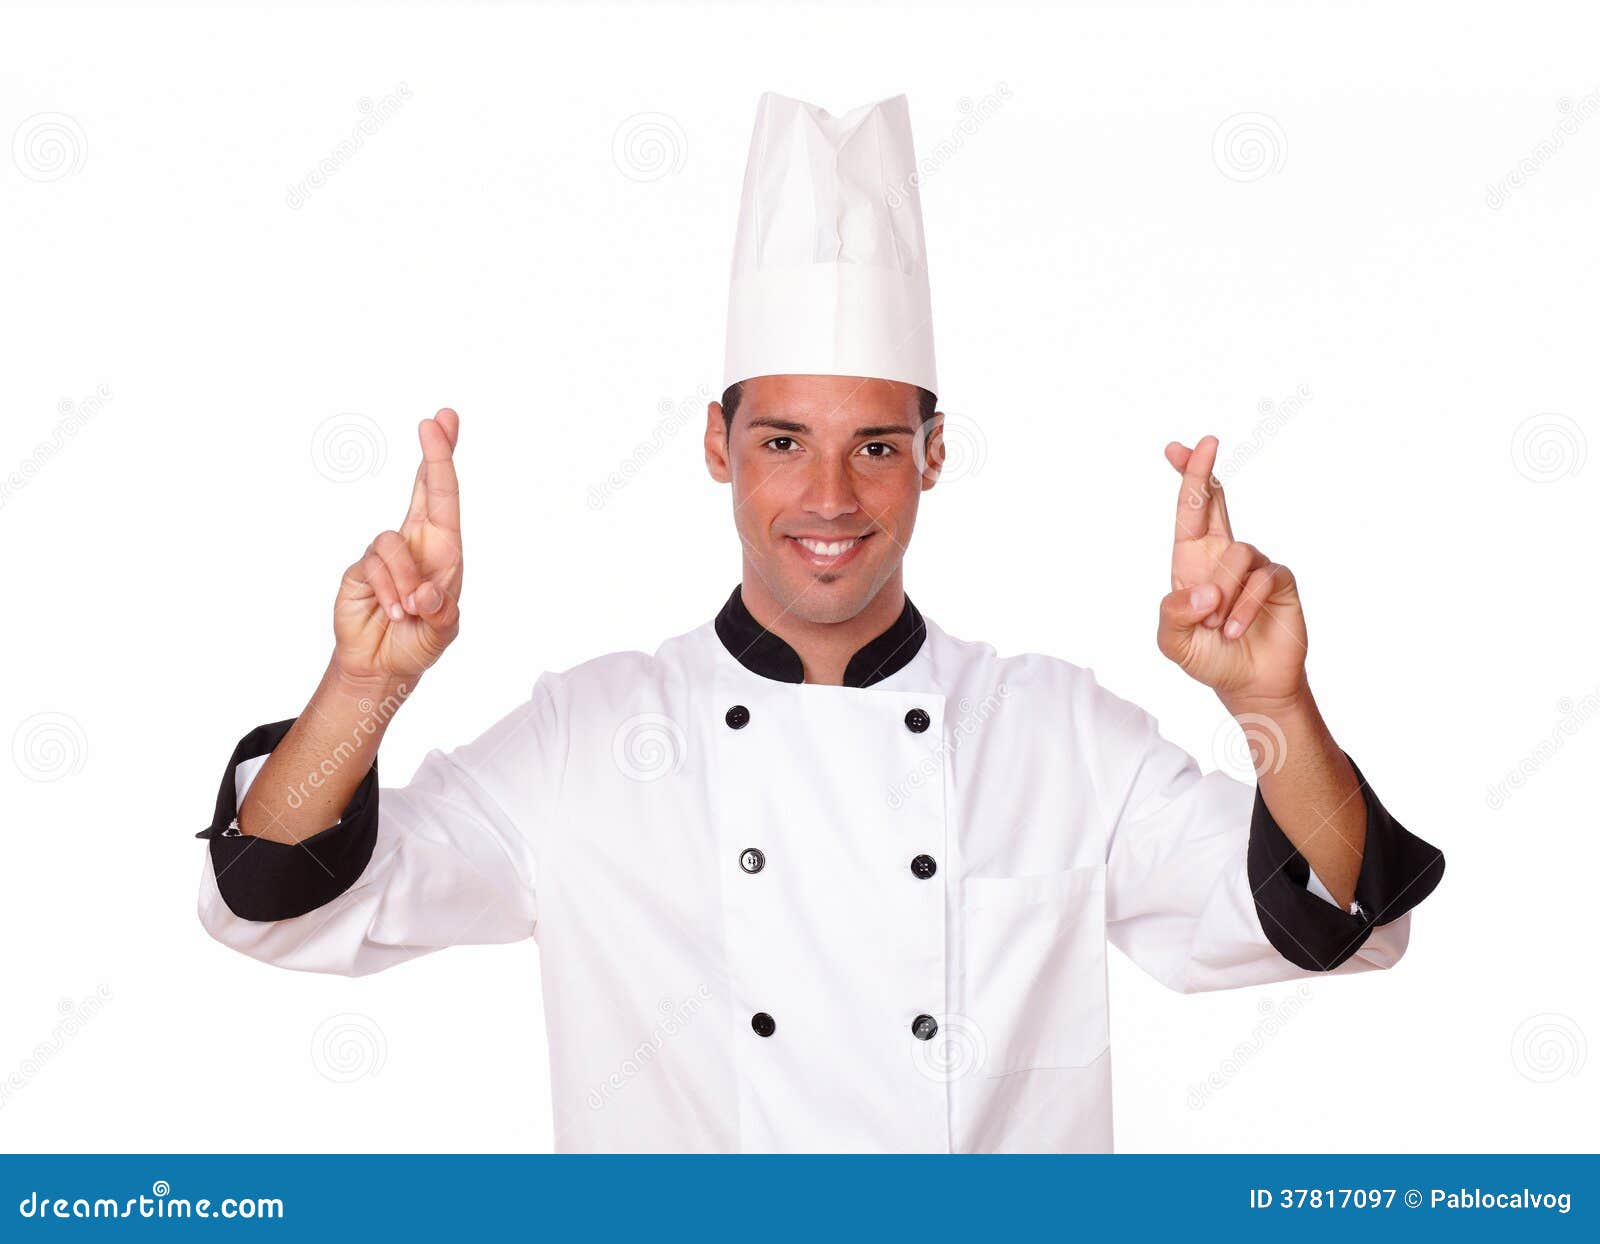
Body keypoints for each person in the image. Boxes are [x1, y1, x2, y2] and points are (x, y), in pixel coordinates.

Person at [196, 91, 1445, 1153]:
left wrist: (1271, 704)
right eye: (784, 441)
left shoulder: (1057, 732)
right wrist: (366, 686)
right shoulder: (586, 736)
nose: (831, 497)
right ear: (716, 444)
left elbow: (1340, 916)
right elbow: (276, 902)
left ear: (934, 453)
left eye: (877, 445)